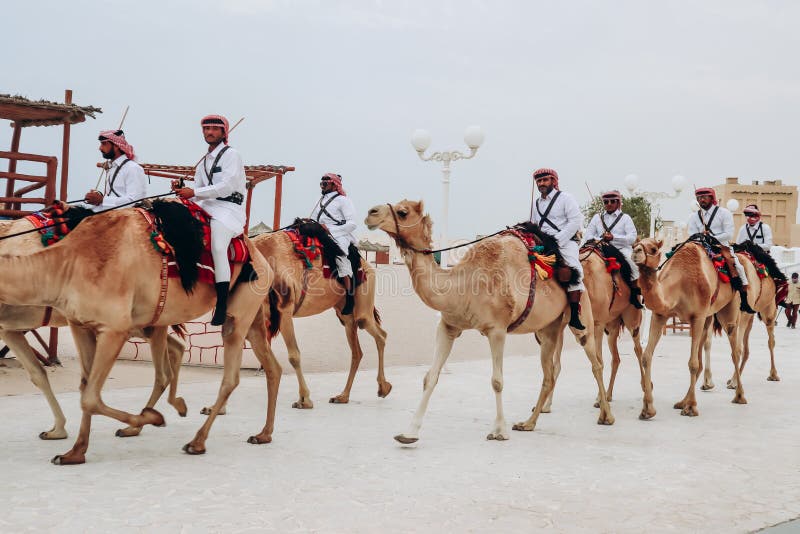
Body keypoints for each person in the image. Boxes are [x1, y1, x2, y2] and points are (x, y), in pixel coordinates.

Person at [173, 115, 247, 326]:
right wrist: (182, 190)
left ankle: (222, 303)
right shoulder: (203, 161)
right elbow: (197, 192)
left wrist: (193, 191)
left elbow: (227, 186)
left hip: (228, 209)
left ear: (224, 133)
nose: (209, 132)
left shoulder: (232, 155)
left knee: (217, 245)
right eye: (206, 129)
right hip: (206, 206)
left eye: (215, 129)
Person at [529, 168, 586, 329]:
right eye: (539, 181)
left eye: (545, 180)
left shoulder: (566, 198)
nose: (541, 184)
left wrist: (557, 240)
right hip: (542, 242)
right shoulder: (536, 203)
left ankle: (574, 315)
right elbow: (534, 223)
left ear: (554, 181)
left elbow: (575, 221)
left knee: (574, 270)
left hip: (565, 241)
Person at [688, 187, 756, 314]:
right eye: (699, 198)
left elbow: (729, 234)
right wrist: (700, 237)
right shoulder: (693, 216)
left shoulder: (724, 213)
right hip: (700, 246)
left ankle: (744, 300)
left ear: (712, 198)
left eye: (705, 197)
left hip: (720, 246)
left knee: (737, 265)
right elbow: (691, 233)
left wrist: (711, 238)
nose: (701, 199)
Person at [584, 190, 643, 308]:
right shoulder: (597, 218)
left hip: (621, 249)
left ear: (618, 203)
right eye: (606, 202)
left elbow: (631, 238)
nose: (609, 204)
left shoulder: (625, 218)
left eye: (612, 201)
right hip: (600, 248)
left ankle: (634, 293)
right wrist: (598, 239)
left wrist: (613, 238)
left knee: (632, 265)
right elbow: (588, 235)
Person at [310, 173, 358, 315]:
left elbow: (352, 224)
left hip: (339, 234)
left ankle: (350, 298)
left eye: (325, 184)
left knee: (340, 258)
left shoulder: (344, 201)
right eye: (321, 184)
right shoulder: (321, 200)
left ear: (333, 184)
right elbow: (314, 218)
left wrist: (330, 229)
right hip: (319, 232)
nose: (322, 186)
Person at [84, 130, 146, 212]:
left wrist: (102, 200)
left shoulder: (132, 168)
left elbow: (135, 201)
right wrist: (97, 198)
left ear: (116, 146)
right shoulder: (112, 167)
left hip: (125, 219)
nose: (100, 148)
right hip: (108, 214)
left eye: (104, 144)